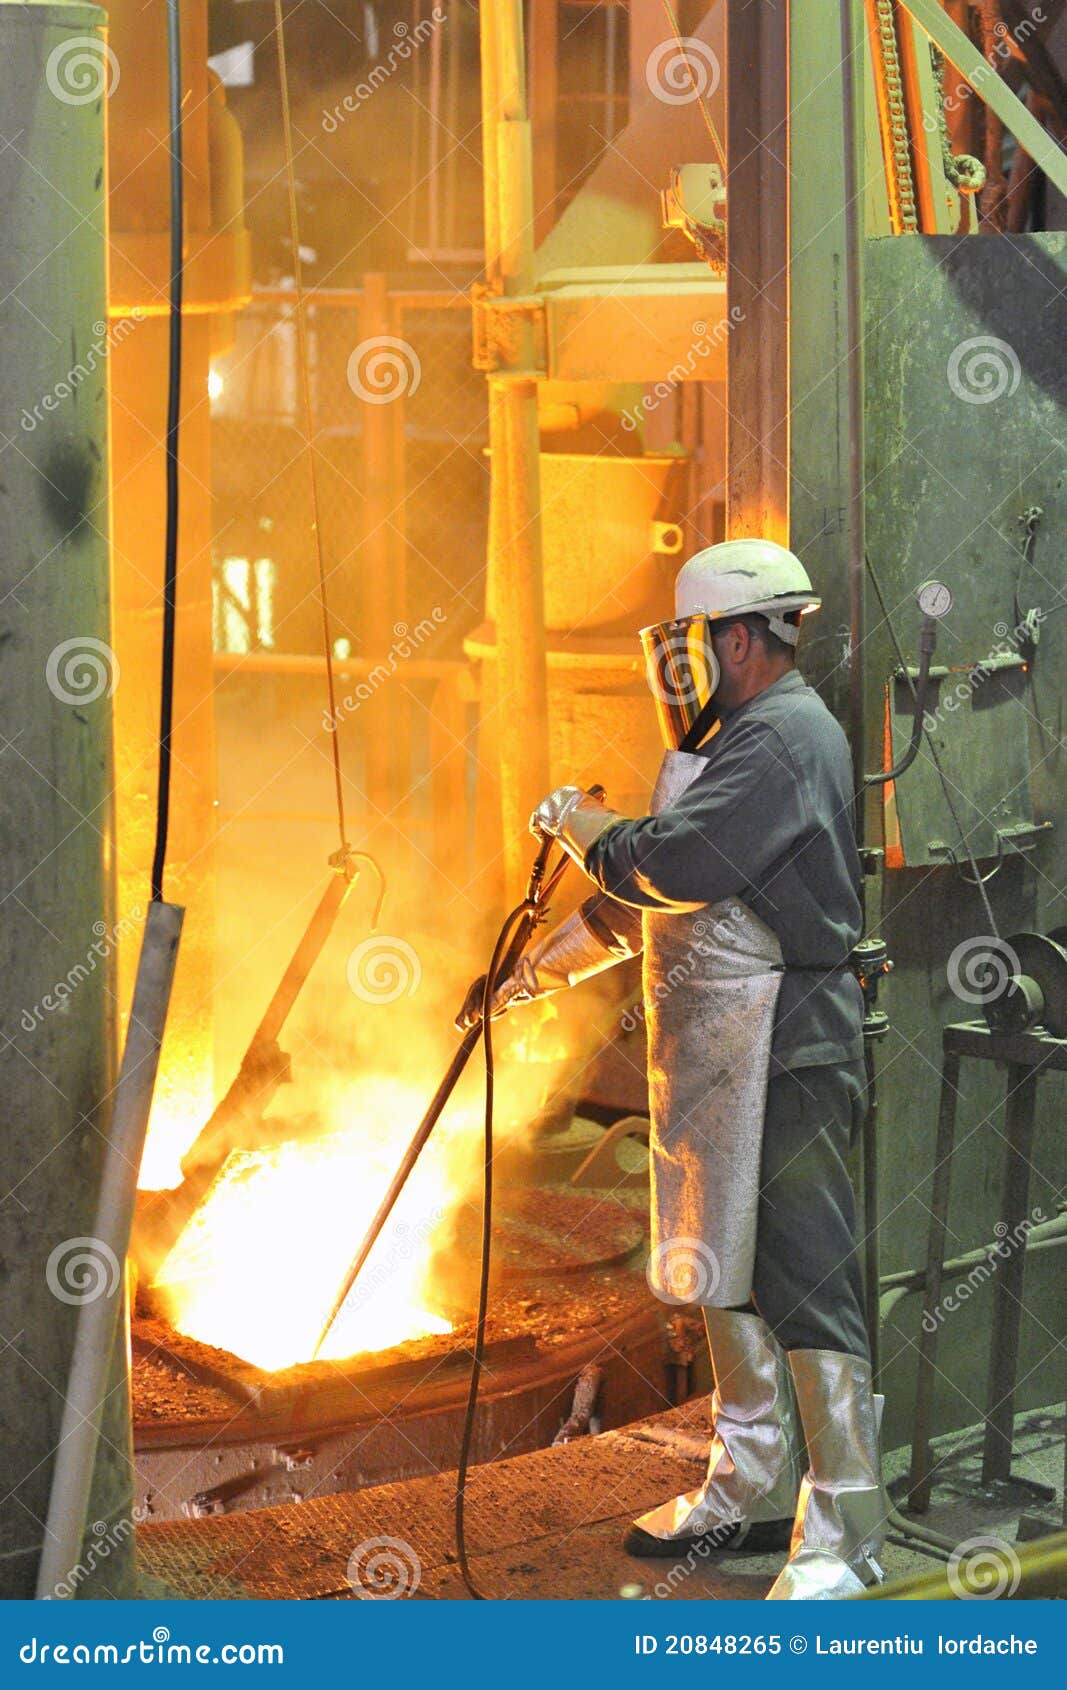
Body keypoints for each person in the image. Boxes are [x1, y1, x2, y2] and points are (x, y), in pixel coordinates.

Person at [460, 539, 886, 1599]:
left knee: (806, 1282)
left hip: (785, 1042)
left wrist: (571, 817)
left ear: (736, 639)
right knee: (718, 1267)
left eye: (691, 642)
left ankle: (843, 1539)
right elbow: (635, 904)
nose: (680, 664)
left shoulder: (782, 742)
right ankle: (744, 1490)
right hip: (710, 1054)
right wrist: (521, 978)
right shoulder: (727, 745)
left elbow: (662, 863)